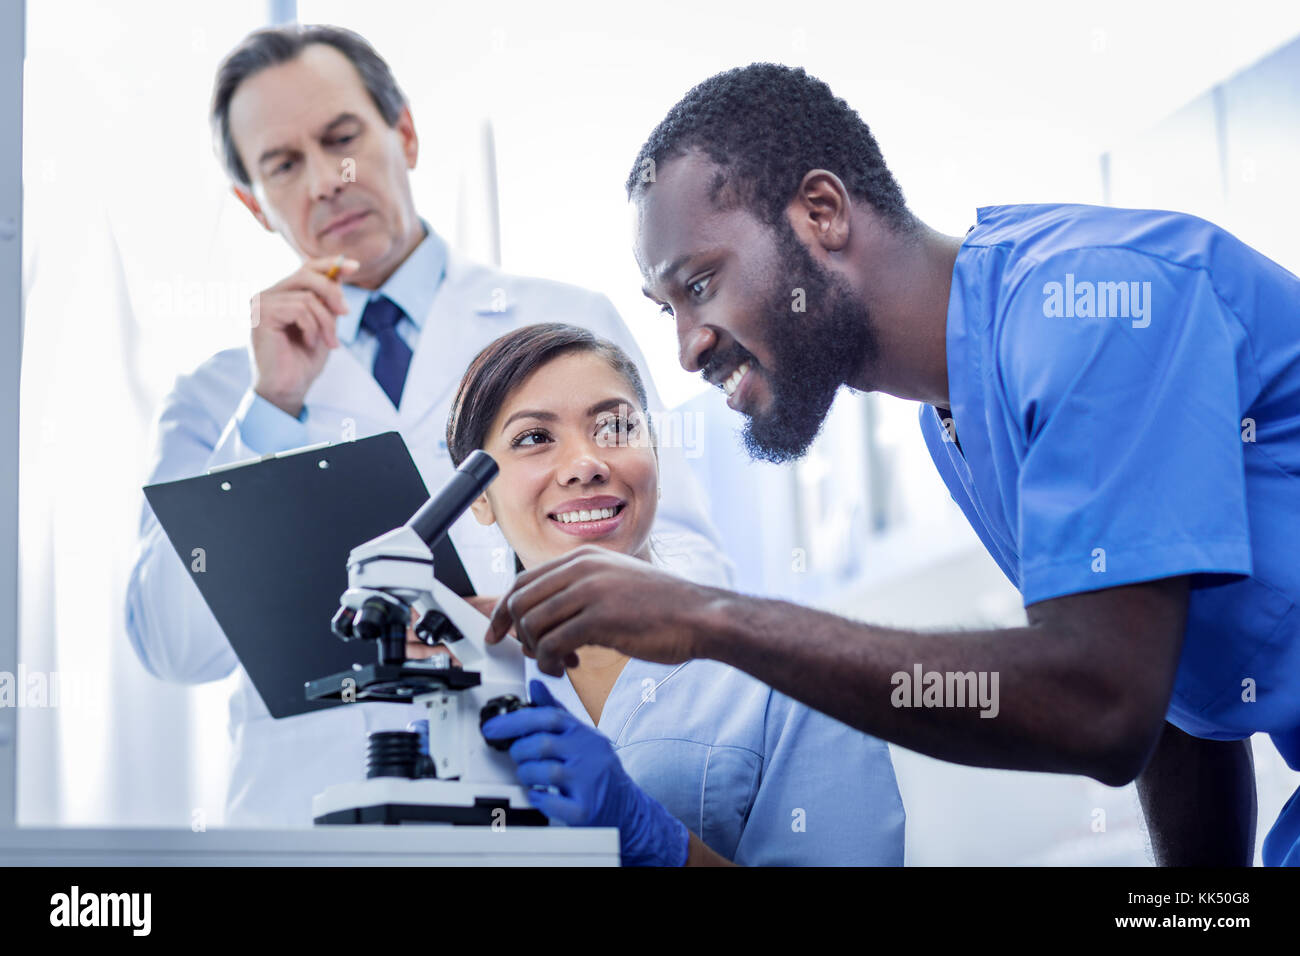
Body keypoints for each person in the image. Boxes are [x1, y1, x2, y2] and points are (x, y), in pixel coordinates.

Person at [485, 64, 1300, 867]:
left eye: (700, 283)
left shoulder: (1088, 305)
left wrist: (711, 618)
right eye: (669, 310)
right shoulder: (953, 423)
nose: (689, 346)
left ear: (821, 211)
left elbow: (1102, 701)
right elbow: (1167, 697)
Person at [124, 24, 730, 828]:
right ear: (252, 202)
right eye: (282, 164)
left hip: (521, 803)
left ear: (403, 133)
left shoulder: (565, 321)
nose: (325, 182)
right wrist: (271, 412)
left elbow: (689, 567)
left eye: (341, 138)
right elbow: (169, 644)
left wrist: (511, 612)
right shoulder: (220, 398)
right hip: (297, 823)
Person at [445, 322, 904, 865]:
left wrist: (660, 843)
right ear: (476, 496)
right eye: (533, 438)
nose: (586, 465)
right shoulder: (447, 688)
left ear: (657, 459)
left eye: (615, 427)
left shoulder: (790, 669)